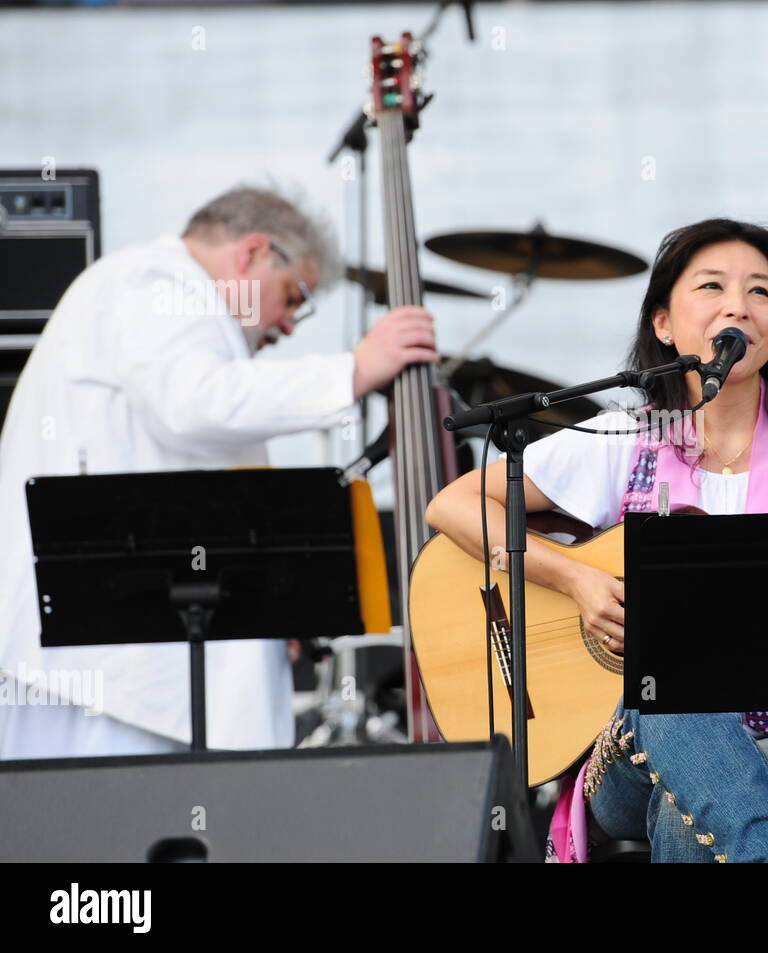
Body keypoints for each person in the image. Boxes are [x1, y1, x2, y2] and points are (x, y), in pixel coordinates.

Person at [426, 218, 768, 862]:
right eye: (711, 287)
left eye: (761, 293)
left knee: (701, 801)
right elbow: (454, 504)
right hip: (633, 744)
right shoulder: (622, 438)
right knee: (671, 689)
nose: (737, 306)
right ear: (664, 322)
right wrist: (576, 580)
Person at [0, 185, 440, 759]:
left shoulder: (163, 300)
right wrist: (351, 371)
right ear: (252, 253)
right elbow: (194, 404)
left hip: (125, 671)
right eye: (294, 295)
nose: (289, 324)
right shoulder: (150, 285)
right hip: (105, 676)